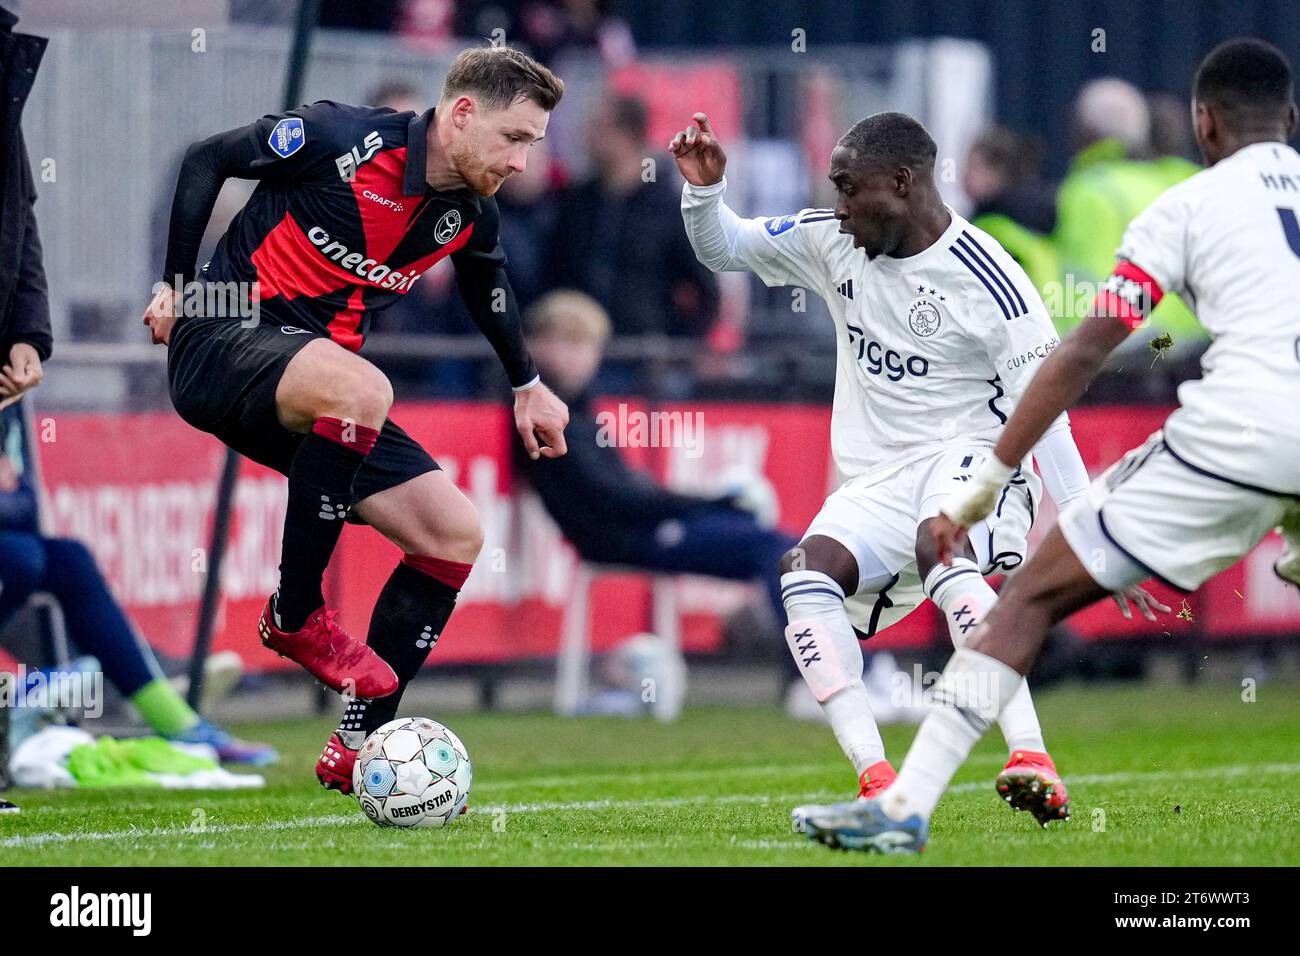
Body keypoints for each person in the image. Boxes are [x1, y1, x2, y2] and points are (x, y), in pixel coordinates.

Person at [795, 37, 1300, 855]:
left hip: (1239, 428)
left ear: (1204, 124)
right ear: (1293, 121)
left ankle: (903, 805)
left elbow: (1082, 350)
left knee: (1024, 598)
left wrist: (996, 474)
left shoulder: (1184, 203)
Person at [673, 110, 1159, 807]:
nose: (838, 209)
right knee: (803, 577)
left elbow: (1048, 417)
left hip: (975, 460)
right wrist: (703, 193)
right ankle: (875, 779)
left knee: (945, 548)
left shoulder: (991, 280)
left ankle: (1031, 754)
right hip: (877, 477)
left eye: (849, 189)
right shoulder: (828, 240)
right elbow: (724, 248)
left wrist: (1088, 526)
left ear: (901, 183)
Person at [143, 46, 571, 793]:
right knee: (364, 388)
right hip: (221, 340)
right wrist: (177, 286)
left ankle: (364, 748)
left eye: (532, 144)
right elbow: (206, 158)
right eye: (515, 138)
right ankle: (296, 612)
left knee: (454, 532)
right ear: (462, 113)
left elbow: (488, 285)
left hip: (313, 392)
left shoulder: (468, 210)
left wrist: (527, 381)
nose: (523, 162)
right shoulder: (340, 139)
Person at [515, 289, 802, 698]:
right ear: (536, 344)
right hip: (624, 539)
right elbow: (613, 498)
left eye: (588, 345)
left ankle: (830, 669)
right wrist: (709, 501)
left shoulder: (578, 411)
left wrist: (705, 504)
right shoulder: (545, 419)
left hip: (646, 528)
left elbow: (629, 490)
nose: (581, 357)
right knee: (779, 554)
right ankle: (814, 680)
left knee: (785, 548)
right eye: (569, 342)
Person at [0, 406, 276, 764]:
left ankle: (177, 722)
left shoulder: (9, 398)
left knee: (70, 559)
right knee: (23, 559)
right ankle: (26, 697)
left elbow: (28, 506)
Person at [547, 94, 719, 339]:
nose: (587, 136)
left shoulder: (669, 208)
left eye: (598, 127)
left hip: (641, 359)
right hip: (575, 352)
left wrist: (677, 346)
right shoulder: (575, 202)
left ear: (627, 136)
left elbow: (706, 291)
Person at [1053, 78, 1202, 341]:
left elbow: (1084, 284)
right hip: (1185, 350)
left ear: (1084, 130)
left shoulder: (1089, 189)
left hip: (1119, 353)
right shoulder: (1177, 183)